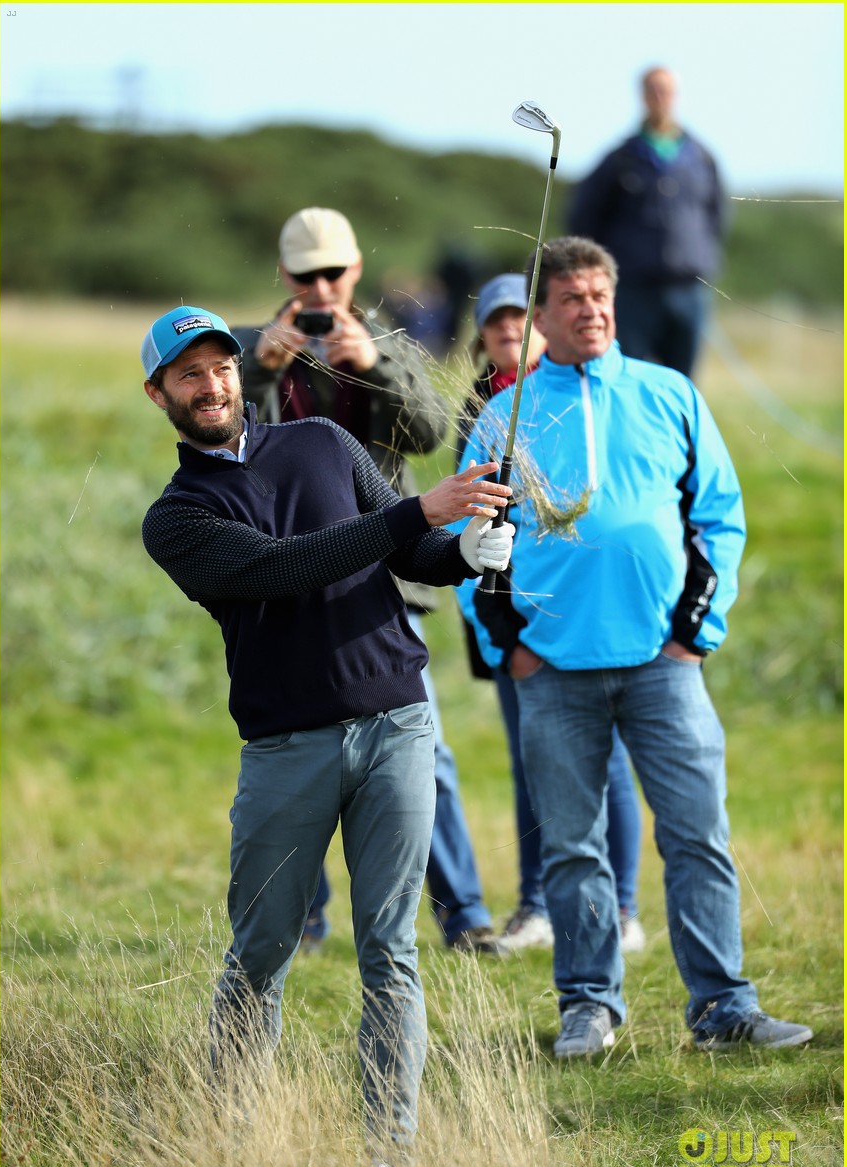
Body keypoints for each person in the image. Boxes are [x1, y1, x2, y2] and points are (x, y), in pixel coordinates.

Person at [139, 304, 514, 1167]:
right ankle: (229, 1136)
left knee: (391, 947)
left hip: (397, 724)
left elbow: (407, 555)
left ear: (240, 372)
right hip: (286, 746)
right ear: (158, 392)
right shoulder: (176, 517)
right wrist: (419, 512)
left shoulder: (321, 443)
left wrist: (465, 551)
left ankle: (389, 1151)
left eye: (220, 366)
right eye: (187, 374)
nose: (211, 384)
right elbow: (282, 569)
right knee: (261, 951)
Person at [456, 238, 814, 1058]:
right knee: (571, 848)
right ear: (540, 316)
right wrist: (508, 645)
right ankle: (589, 1007)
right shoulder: (504, 416)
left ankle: (722, 1008)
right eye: (571, 298)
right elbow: (469, 539)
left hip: (663, 663)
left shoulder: (669, 394)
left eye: (599, 294)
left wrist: (696, 632)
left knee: (696, 832)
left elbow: (717, 518)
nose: (590, 308)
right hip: (550, 670)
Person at [233, 206, 507, 956]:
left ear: (354, 271)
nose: (320, 289)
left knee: (427, 752)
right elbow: (232, 447)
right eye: (305, 274)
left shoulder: (388, 337)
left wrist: (375, 363)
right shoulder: (249, 349)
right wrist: (262, 370)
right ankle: (306, 920)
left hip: (387, 572)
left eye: (333, 272)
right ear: (284, 275)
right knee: (294, 753)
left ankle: (463, 915)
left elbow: (424, 436)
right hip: (288, 577)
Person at [456, 273, 646, 954]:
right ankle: (537, 907)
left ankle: (620, 912)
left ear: (541, 323)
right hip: (516, 629)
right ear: (479, 334)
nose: (508, 331)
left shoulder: (570, 399)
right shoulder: (482, 410)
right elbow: (469, 537)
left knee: (609, 764)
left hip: (590, 622)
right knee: (529, 761)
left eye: (519, 319)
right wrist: (498, 639)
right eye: (494, 322)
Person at [568, 66, 726, 378]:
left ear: (676, 96)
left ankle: (678, 430)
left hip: (688, 290)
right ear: (642, 97)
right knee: (627, 375)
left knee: (684, 383)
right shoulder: (619, 158)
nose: (660, 97)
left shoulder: (702, 157)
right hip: (633, 289)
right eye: (652, 90)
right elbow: (583, 216)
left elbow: (717, 215)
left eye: (666, 90)